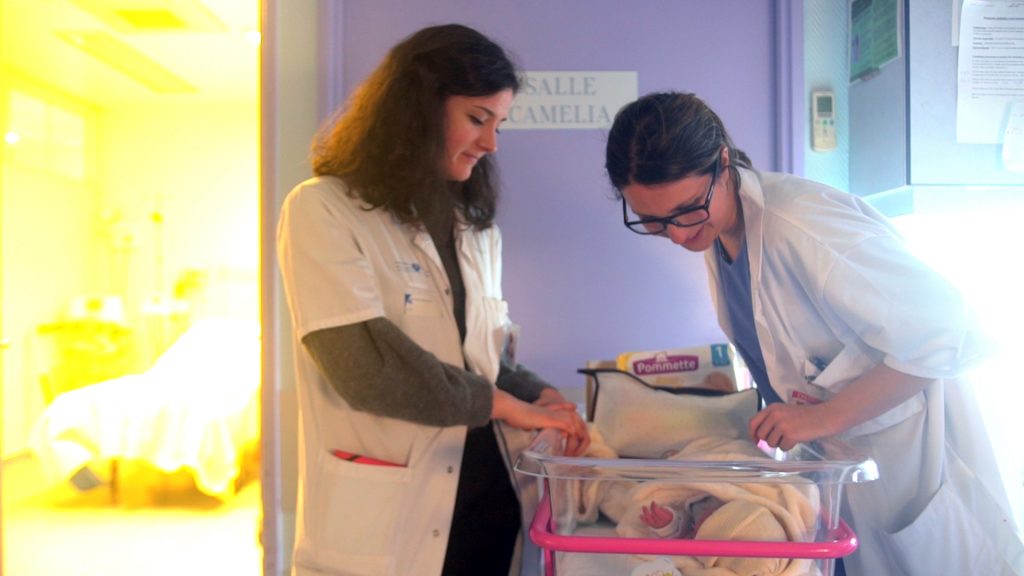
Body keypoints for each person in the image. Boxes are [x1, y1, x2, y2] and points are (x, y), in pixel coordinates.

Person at [603, 91, 1023, 576]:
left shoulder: (801, 226)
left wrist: (823, 417)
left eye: (687, 210)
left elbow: (950, 330)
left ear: (723, 162)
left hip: (910, 471)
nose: (677, 235)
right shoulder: (722, 235)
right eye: (653, 221)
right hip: (844, 475)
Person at [277, 24, 590, 576]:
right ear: (417, 110)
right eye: (477, 118)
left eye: (498, 124)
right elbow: (366, 368)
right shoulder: (322, 211)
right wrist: (508, 405)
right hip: (389, 516)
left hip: (488, 503)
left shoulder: (476, 229)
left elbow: (481, 356)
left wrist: (539, 395)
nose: (491, 144)